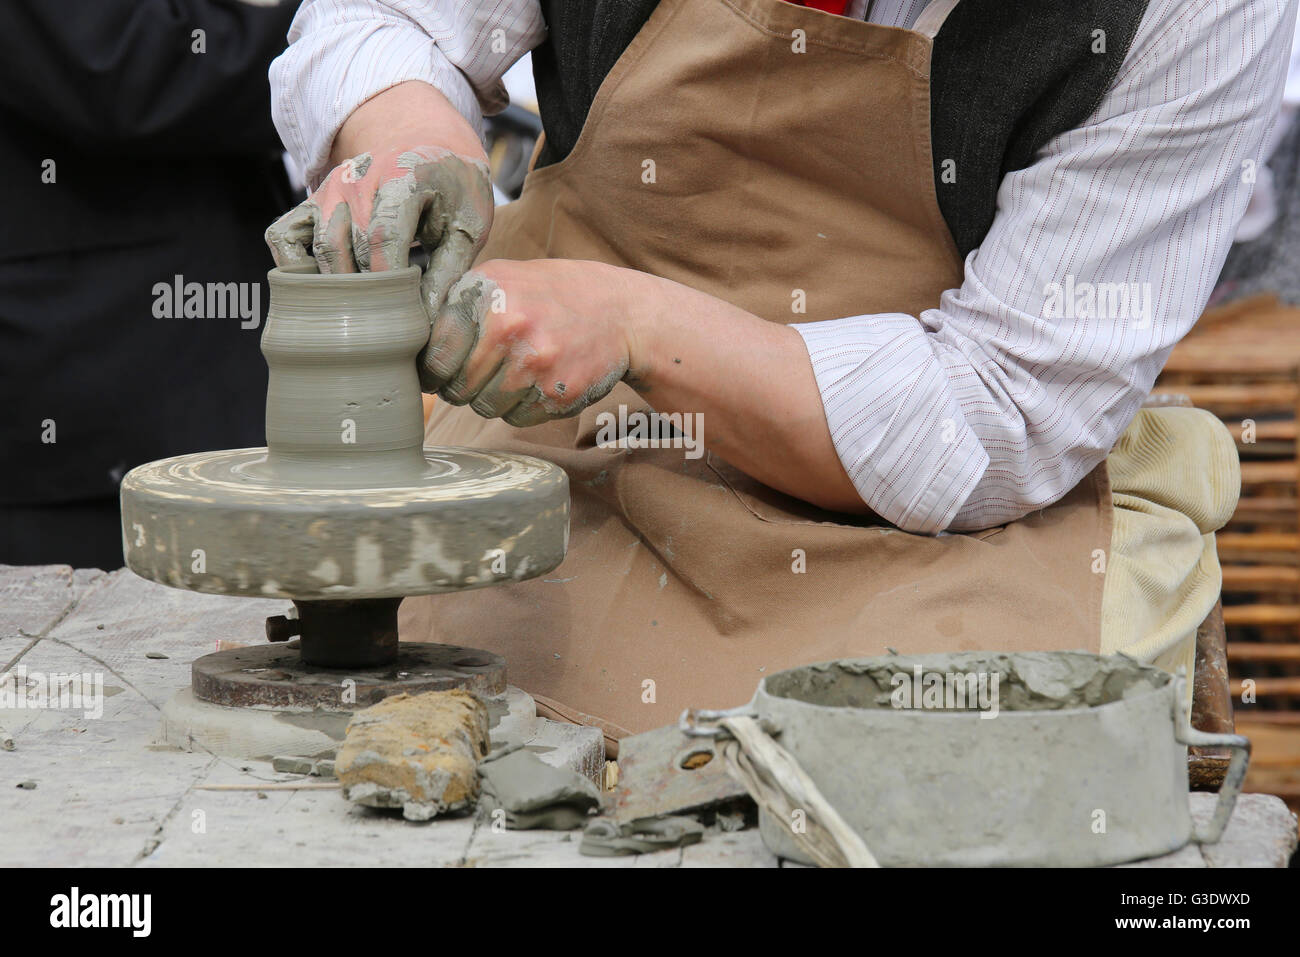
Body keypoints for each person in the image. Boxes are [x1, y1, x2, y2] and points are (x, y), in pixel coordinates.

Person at [267, 0, 1296, 740]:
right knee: (411, 707)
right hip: (559, 434)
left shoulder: (1202, 13)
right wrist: (410, 135)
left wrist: (636, 325)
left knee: (919, 754)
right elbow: (390, 20)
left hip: (919, 510)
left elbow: (997, 414)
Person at [0, 0, 299, 570]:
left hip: (145, 360)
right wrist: (348, 43)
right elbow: (114, 63)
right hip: (96, 376)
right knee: (87, 645)